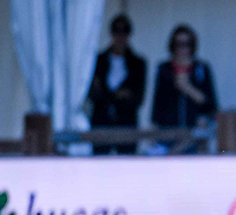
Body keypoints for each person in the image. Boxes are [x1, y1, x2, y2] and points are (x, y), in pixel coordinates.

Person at [150, 24, 217, 153]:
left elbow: (211, 105)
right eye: (178, 44)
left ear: (192, 46)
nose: (182, 49)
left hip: (194, 135)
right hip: (169, 134)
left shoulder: (201, 69)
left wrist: (188, 89)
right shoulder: (164, 69)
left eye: (187, 44)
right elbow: (157, 105)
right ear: (172, 46)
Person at [88, 14, 147, 155]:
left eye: (124, 31)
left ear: (129, 34)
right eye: (116, 31)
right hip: (101, 123)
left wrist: (108, 95)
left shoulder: (137, 64)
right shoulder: (98, 61)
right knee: (99, 165)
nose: (120, 36)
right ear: (111, 33)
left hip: (126, 124)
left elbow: (138, 98)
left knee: (127, 167)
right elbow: (92, 94)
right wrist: (119, 95)